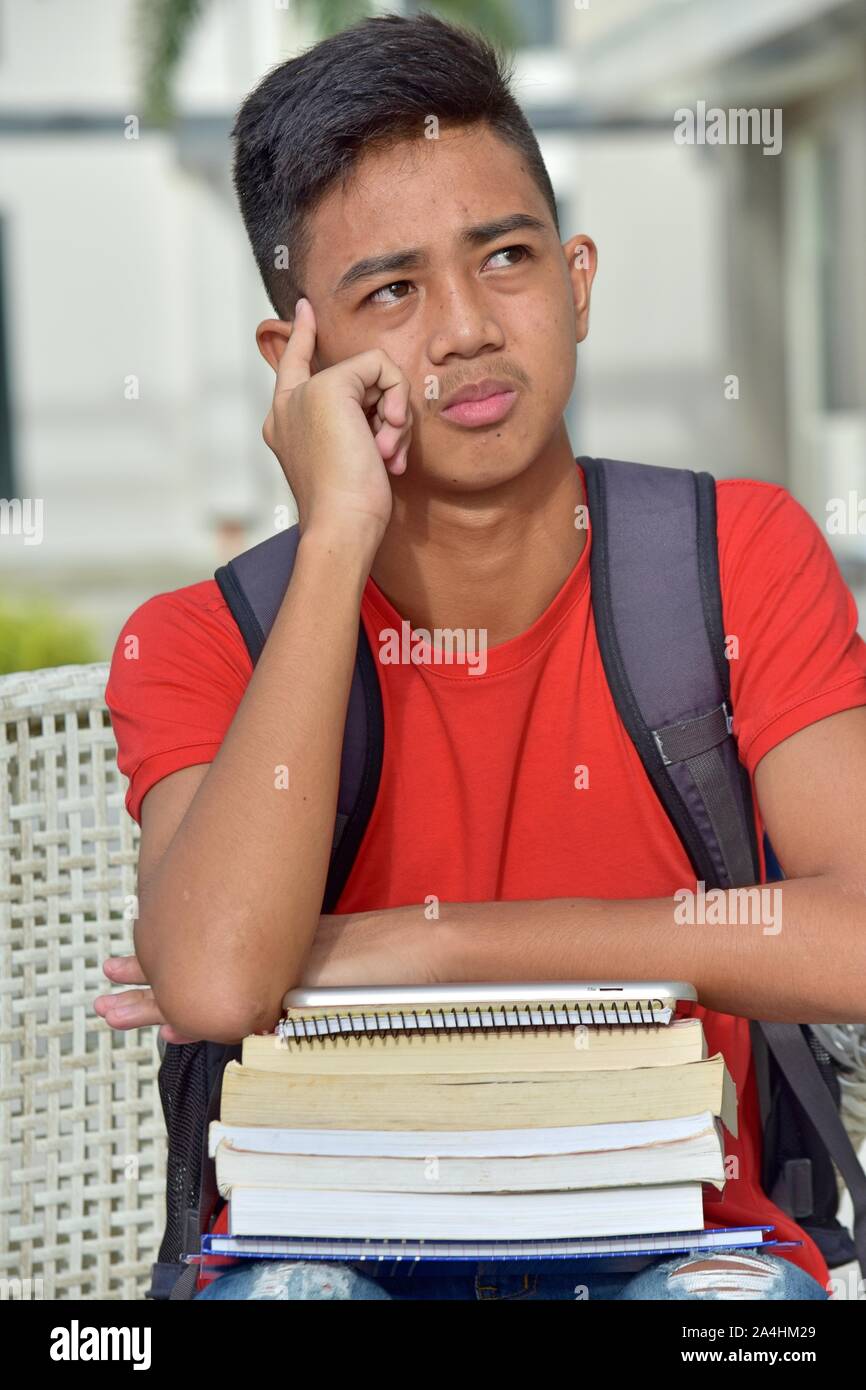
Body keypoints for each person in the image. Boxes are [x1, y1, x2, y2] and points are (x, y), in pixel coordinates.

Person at [98, 13, 866, 1301]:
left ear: (575, 278)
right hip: (324, 1244)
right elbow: (224, 977)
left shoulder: (739, 557)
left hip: (688, 1241)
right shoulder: (197, 641)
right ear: (297, 362)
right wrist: (336, 530)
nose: (463, 329)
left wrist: (435, 948)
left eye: (503, 256)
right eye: (389, 291)